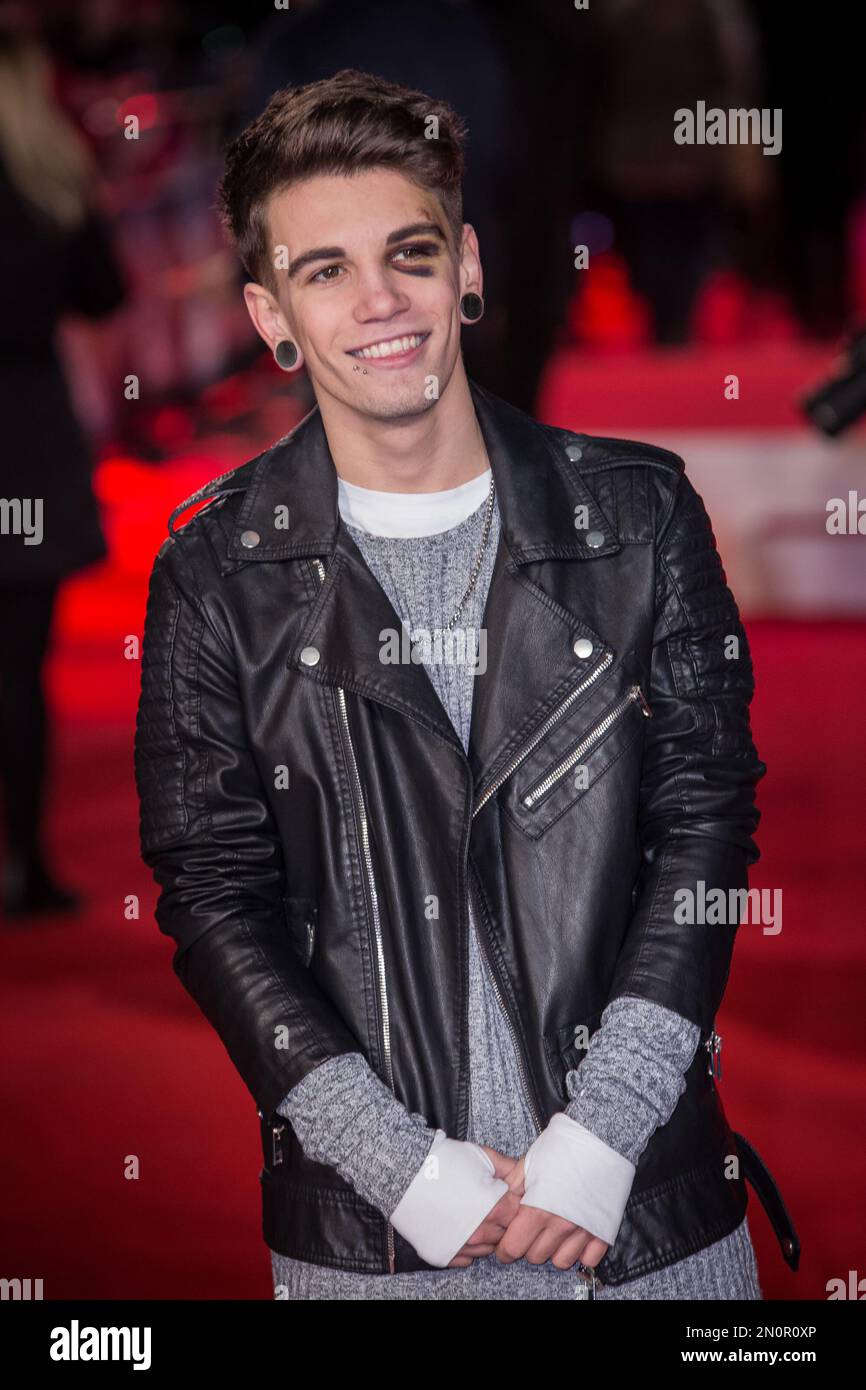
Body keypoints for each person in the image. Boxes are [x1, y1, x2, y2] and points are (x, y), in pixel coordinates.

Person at [134, 69, 799, 1299]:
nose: (378, 300)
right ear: (270, 314)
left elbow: (702, 825)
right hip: (377, 1241)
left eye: (409, 252)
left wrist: (604, 1136)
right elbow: (214, 894)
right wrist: (402, 1170)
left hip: (638, 1215)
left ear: (468, 266)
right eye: (323, 270)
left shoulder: (637, 514)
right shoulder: (215, 573)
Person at [0, 24, 126, 916]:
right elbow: (102, 290)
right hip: (25, 439)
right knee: (18, 664)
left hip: (27, 435)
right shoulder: (48, 168)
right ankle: (23, 860)